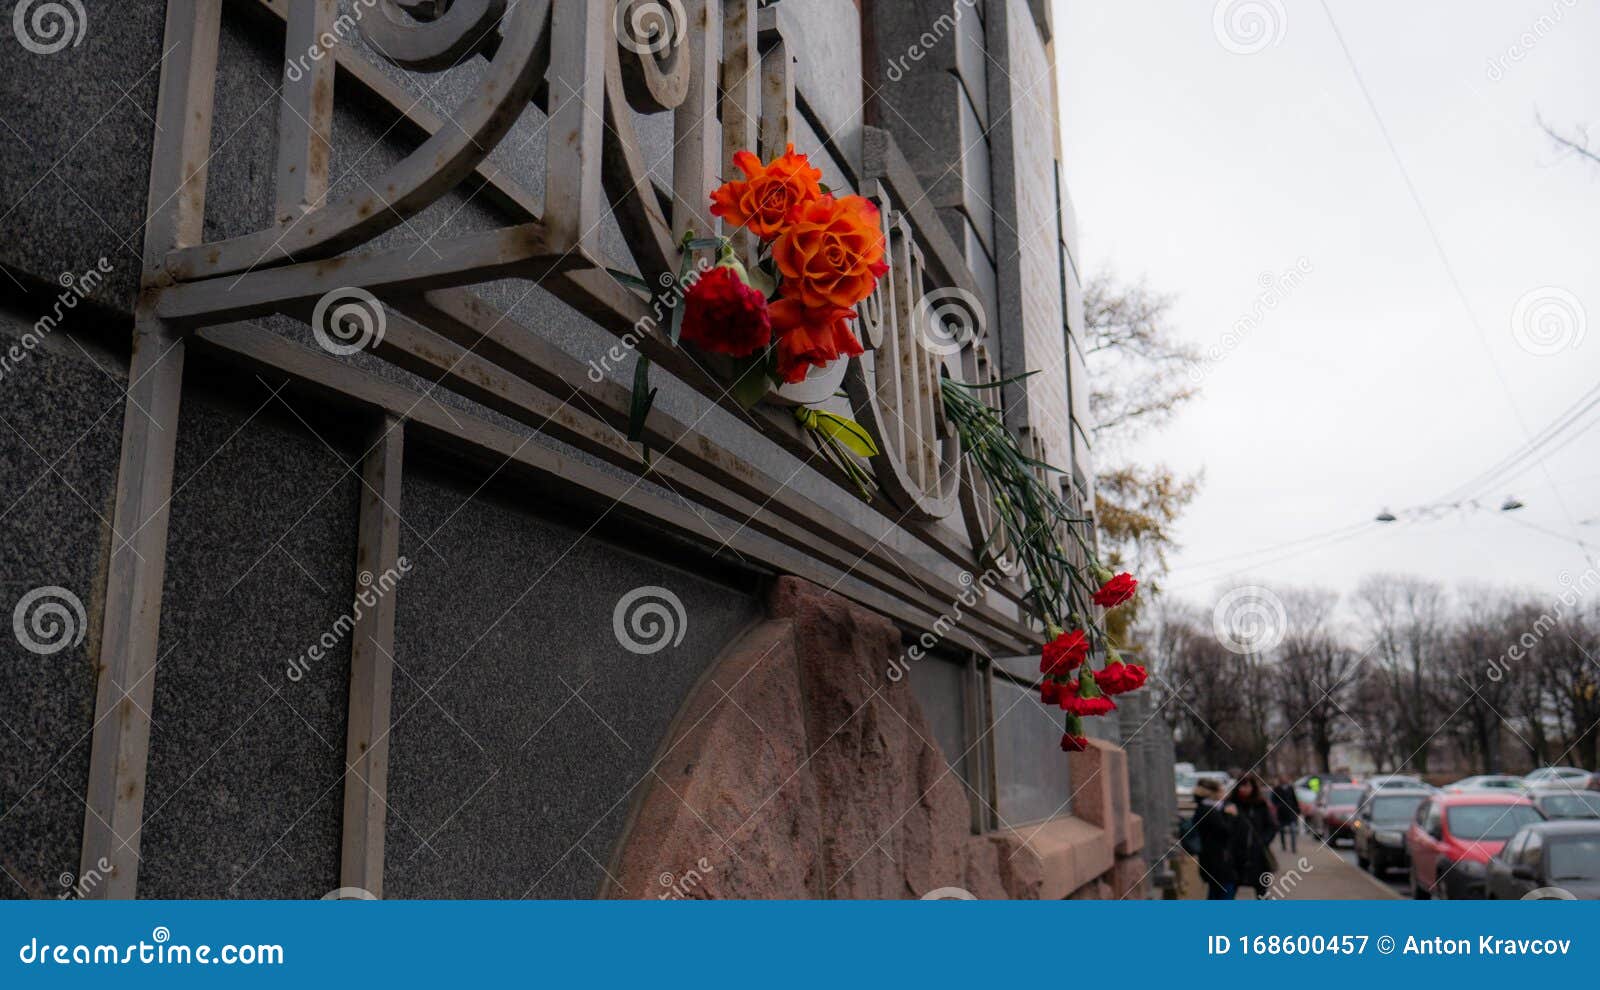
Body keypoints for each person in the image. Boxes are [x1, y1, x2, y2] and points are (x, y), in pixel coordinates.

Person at [1228, 773, 1278, 899]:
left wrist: (1262, 842)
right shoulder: (1231, 805)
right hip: (1236, 856)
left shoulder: (1260, 805)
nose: (1244, 789)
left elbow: (1271, 827)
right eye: (1241, 786)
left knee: (1261, 891)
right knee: (1230, 890)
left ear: (1253, 787)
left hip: (1257, 856)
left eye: (1247, 786)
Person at [1190, 779, 1240, 900]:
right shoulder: (1209, 811)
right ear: (1213, 793)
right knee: (1225, 891)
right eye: (1221, 791)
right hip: (1218, 861)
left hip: (1211, 860)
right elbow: (1226, 831)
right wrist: (1230, 815)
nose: (1224, 794)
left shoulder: (1205, 808)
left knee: (1216, 892)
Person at [1270, 774, 1300, 852]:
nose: (1284, 780)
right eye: (1283, 778)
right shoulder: (1276, 789)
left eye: (1285, 778)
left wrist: (1297, 810)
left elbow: (1294, 799)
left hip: (1291, 812)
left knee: (1293, 830)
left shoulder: (1290, 788)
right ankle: (1283, 845)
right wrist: (1279, 806)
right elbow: (1273, 800)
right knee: (1282, 831)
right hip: (1282, 814)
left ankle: (1293, 848)